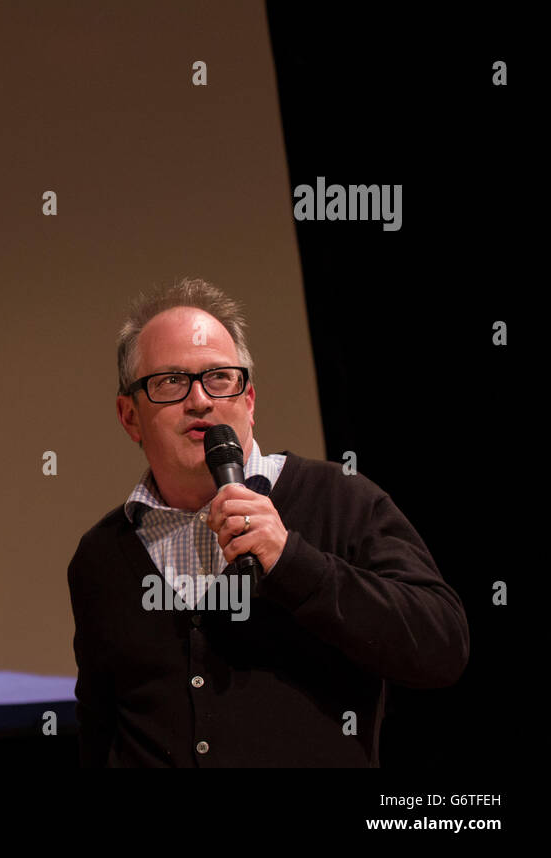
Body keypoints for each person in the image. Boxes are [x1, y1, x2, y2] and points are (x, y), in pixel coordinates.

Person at [68, 277, 468, 766]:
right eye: (170, 382)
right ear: (129, 416)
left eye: (219, 377)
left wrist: (293, 561)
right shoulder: (102, 555)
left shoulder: (340, 499)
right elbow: (99, 724)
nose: (200, 400)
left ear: (249, 401)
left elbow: (441, 646)